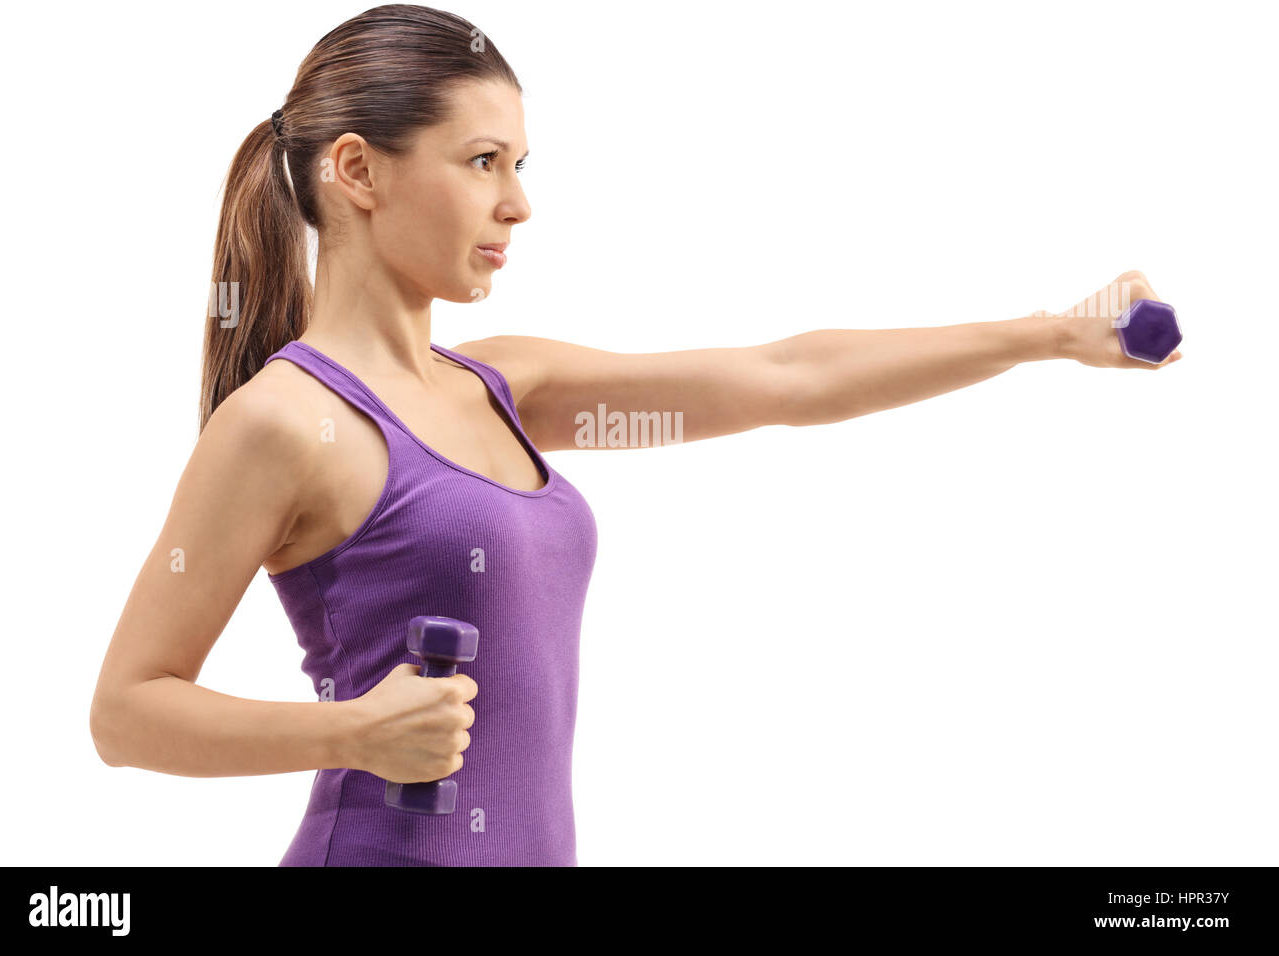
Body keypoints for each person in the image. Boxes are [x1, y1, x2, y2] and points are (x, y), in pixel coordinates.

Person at [89, 3, 1183, 867]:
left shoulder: (507, 382)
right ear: (360, 172)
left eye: (522, 166)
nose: (518, 204)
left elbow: (784, 375)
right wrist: (349, 732)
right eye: (483, 162)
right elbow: (128, 711)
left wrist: (1049, 334)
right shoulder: (283, 421)